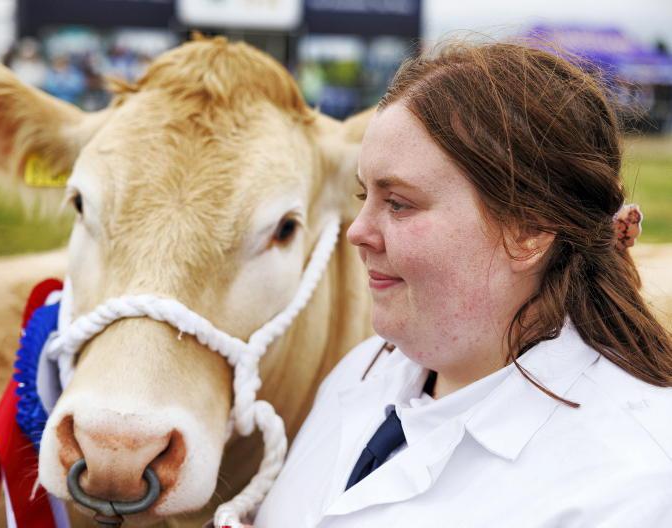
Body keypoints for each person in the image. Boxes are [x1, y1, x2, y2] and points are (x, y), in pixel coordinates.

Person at [254, 42, 672, 526]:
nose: (358, 232)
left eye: (399, 203)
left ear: (529, 230)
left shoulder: (636, 486)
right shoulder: (363, 370)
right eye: (364, 194)